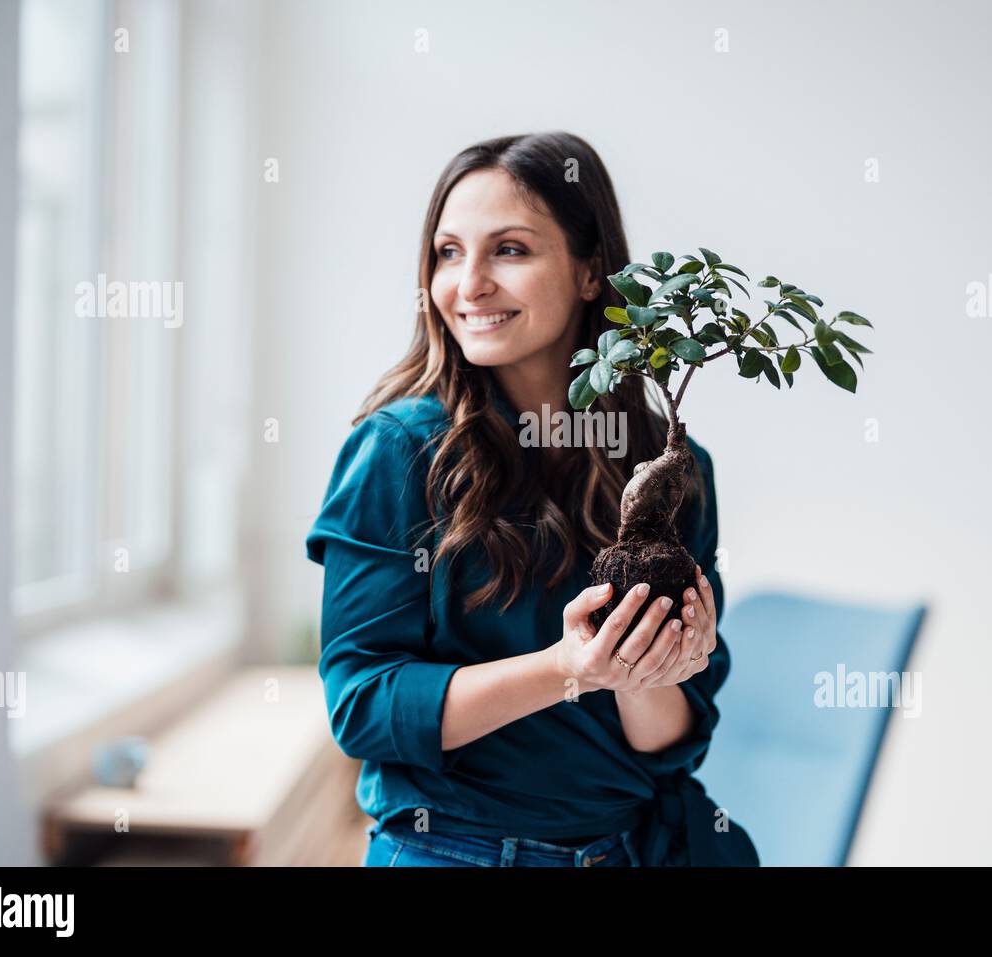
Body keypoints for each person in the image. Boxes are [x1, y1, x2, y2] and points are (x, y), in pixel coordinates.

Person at [305, 131, 758, 867]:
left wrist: (654, 666)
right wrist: (568, 668)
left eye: (509, 250)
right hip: (455, 852)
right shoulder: (398, 451)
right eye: (448, 252)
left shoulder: (670, 470)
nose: (469, 283)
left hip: (629, 850)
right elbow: (363, 704)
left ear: (589, 272)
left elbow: (671, 741)